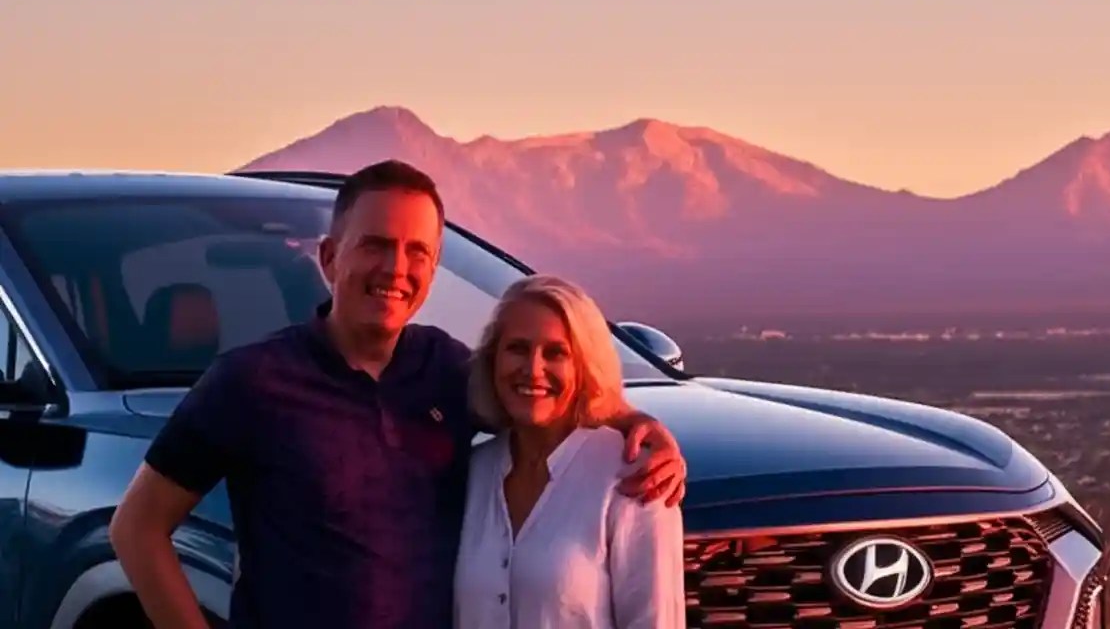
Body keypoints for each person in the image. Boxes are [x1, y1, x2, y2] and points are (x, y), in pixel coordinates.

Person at [108, 160, 687, 629]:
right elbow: (136, 528)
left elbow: (544, 396)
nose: (396, 268)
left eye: (417, 252)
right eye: (376, 245)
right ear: (331, 259)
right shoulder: (252, 382)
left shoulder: (449, 372)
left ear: (433, 270)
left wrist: (639, 424)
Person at [454, 275, 685, 629]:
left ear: (584, 366)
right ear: (492, 360)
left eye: (556, 352)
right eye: (517, 348)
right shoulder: (473, 473)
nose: (532, 370)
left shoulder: (635, 479)